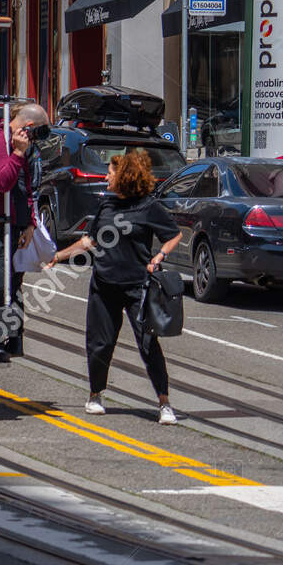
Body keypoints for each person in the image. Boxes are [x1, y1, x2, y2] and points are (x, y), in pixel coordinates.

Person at [45, 148, 182, 424]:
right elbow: (89, 242)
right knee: (100, 343)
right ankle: (95, 395)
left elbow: (173, 234)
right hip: (104, 285)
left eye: (110, 172)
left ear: (125, 176)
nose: (106, 177)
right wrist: (57, 256)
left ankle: (164, 402)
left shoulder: (149, 207)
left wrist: (159, 257)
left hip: (137, 287)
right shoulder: (107, 206)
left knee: (147, 344)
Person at [0, 101, 49, 361]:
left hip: (16, 225)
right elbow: (2, 179)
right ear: (27, 127)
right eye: (36, 133)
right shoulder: (0, 140)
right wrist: (18, 153)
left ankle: (14, 337)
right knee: (0, 284)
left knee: (14, 283)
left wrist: (31, 223)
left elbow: (26, 186)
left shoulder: (20, 146)